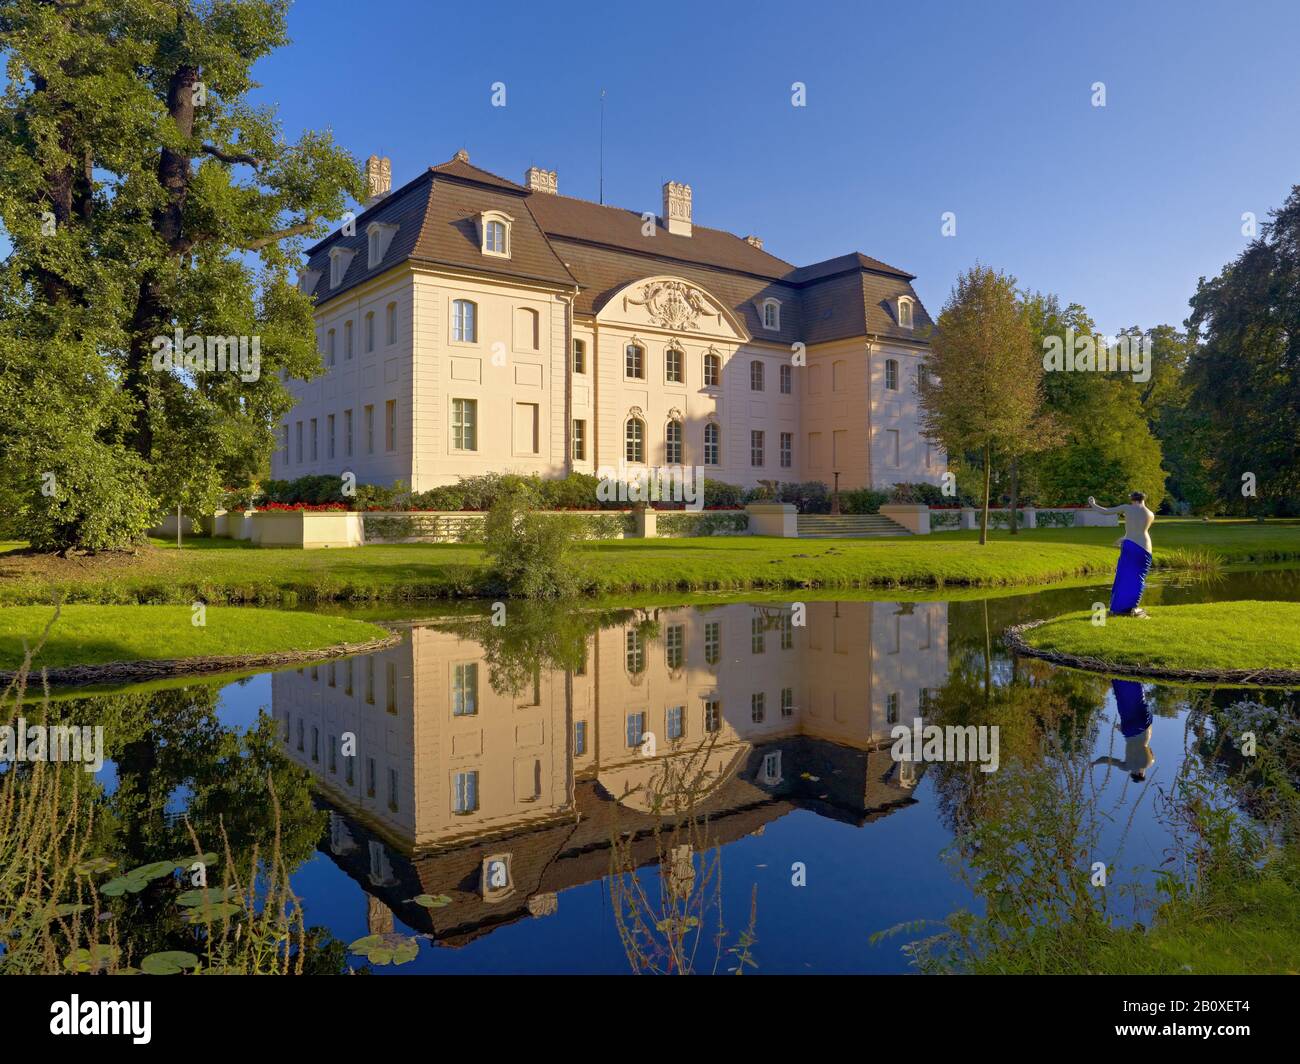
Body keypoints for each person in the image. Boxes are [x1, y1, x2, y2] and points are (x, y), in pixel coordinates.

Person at [1088, 491, 1154, 617]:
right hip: (1145, 546)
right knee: (1138, 578)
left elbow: (1106, 511)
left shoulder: (1126, 508)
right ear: (1143, 499)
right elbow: (1139, 531)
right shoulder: (1150, 514)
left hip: (1129, 545)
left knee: (1124, 576)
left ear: (1132, 499)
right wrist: (1124, 538)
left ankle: (1120, 607)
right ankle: (1131, 607)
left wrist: (1093, 504)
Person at [1092, 679, 1155, 782]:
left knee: (1138, 702)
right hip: (1128, 731)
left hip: (1143, 727)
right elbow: (1106, 759)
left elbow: (1145, 746)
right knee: (1123, 701)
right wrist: (1095, 763)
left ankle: (1134, 677)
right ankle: (1117, 678)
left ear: (1141, 773)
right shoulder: (1126, 767)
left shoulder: (1149, 763)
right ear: (1132, 774)